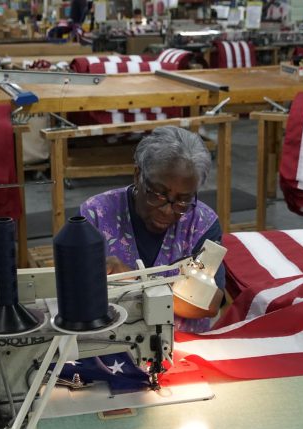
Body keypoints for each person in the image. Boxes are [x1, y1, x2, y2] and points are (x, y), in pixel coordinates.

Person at [80, 126, 225, 333]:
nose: (167, 210)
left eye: (182, 201)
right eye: (157, 194)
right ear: (137, 175)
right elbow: (77, 292)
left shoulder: (202, 223)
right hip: (110, 347)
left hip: (184, 351)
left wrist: (135, 279)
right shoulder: (96, 214)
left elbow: (210, 304)